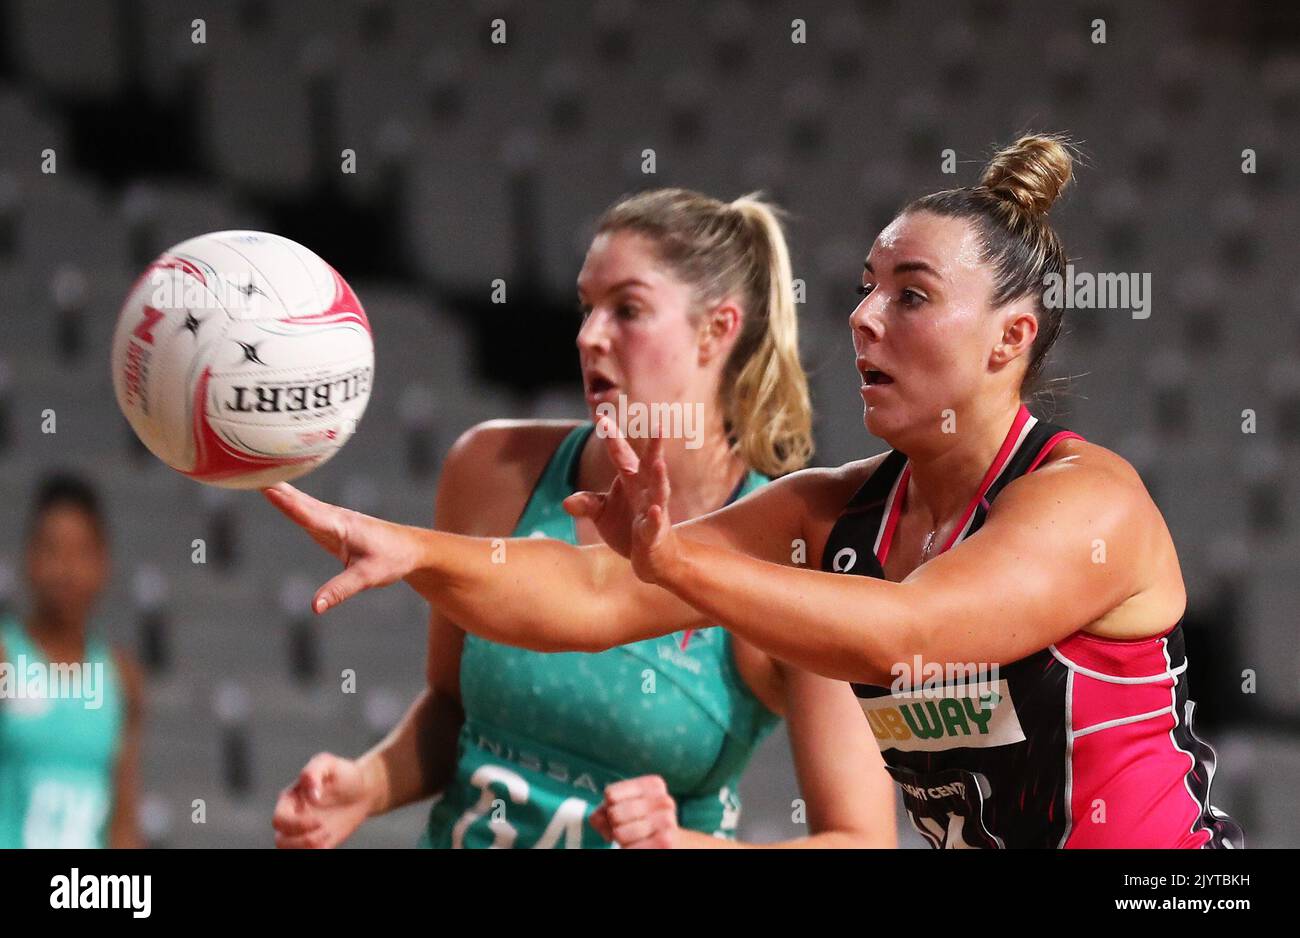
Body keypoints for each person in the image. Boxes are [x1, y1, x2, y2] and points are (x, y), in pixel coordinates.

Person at [265, 135, 1242, 848]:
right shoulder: (834, 511)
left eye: (908, 294)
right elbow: (593, 592)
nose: (861, 316)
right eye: (863, 286)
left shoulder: (1087, 498)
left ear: (1009, 339)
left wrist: (675, 555)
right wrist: (413, 549)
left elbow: (906, 635)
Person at [270, 189, 896, 849]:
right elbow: (454, 711)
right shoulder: (493, 467)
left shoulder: (785, 550)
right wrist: (366, 784)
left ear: (717, 329)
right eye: (586, 307)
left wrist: (682, 845)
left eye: (626, 309)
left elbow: (859, 838)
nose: (589, 336)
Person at [0, 474, 143, 848]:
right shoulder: (4, 658)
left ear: (104, 562)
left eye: (81, 552)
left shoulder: (121, 676)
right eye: (52, 550)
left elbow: (123, 820)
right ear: (29, 558)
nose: (66, 569)